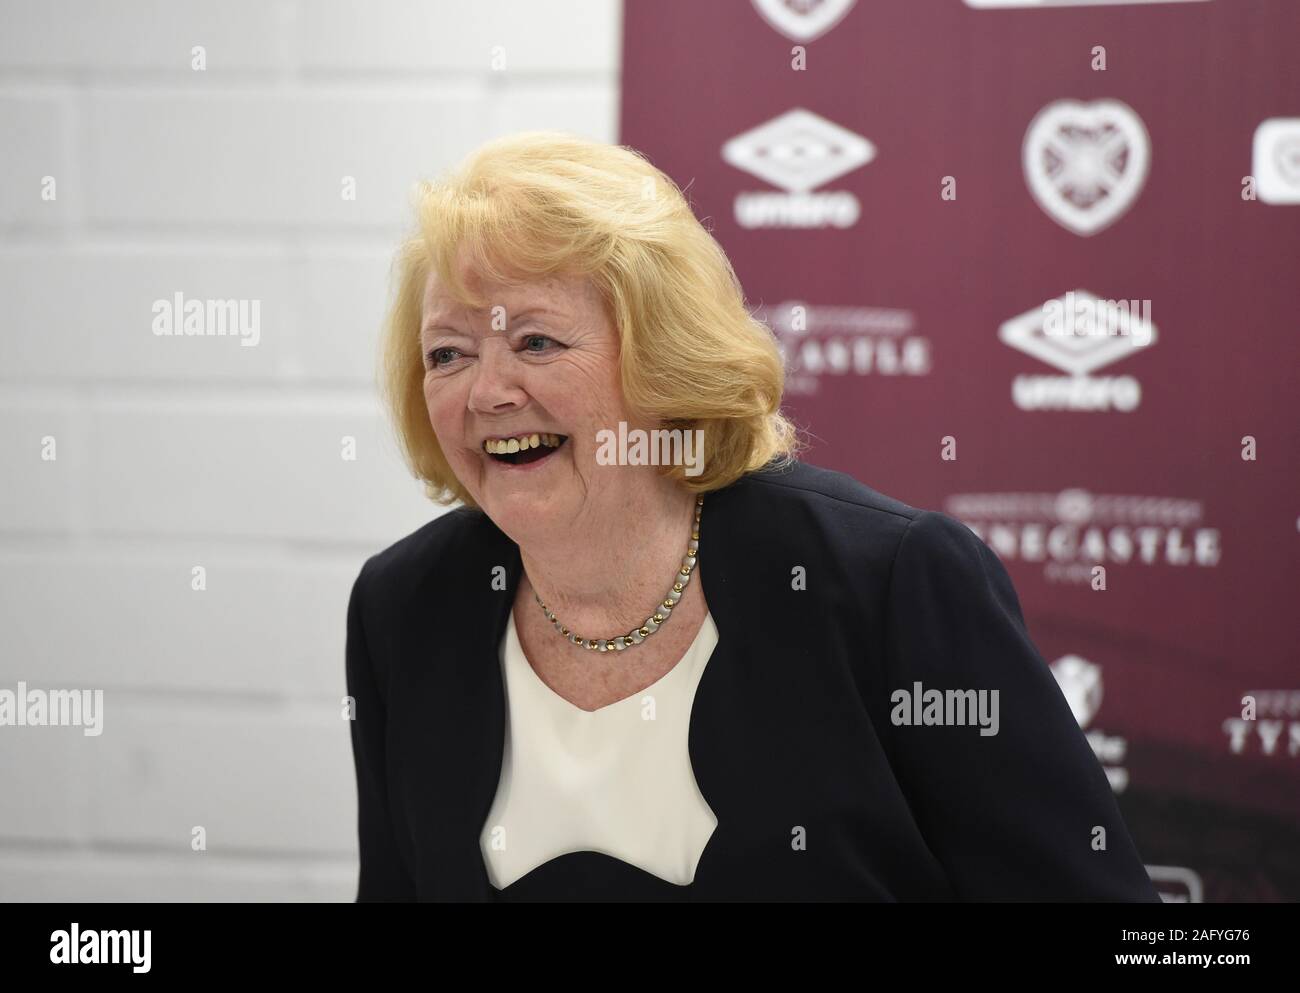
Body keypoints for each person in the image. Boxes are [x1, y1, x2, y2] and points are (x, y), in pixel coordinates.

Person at [345, 131, 1161, 902]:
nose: (487, 392)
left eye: (536, 342)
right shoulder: (404, 608)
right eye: (447, 354)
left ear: (662, 358)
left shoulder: (888, 585)